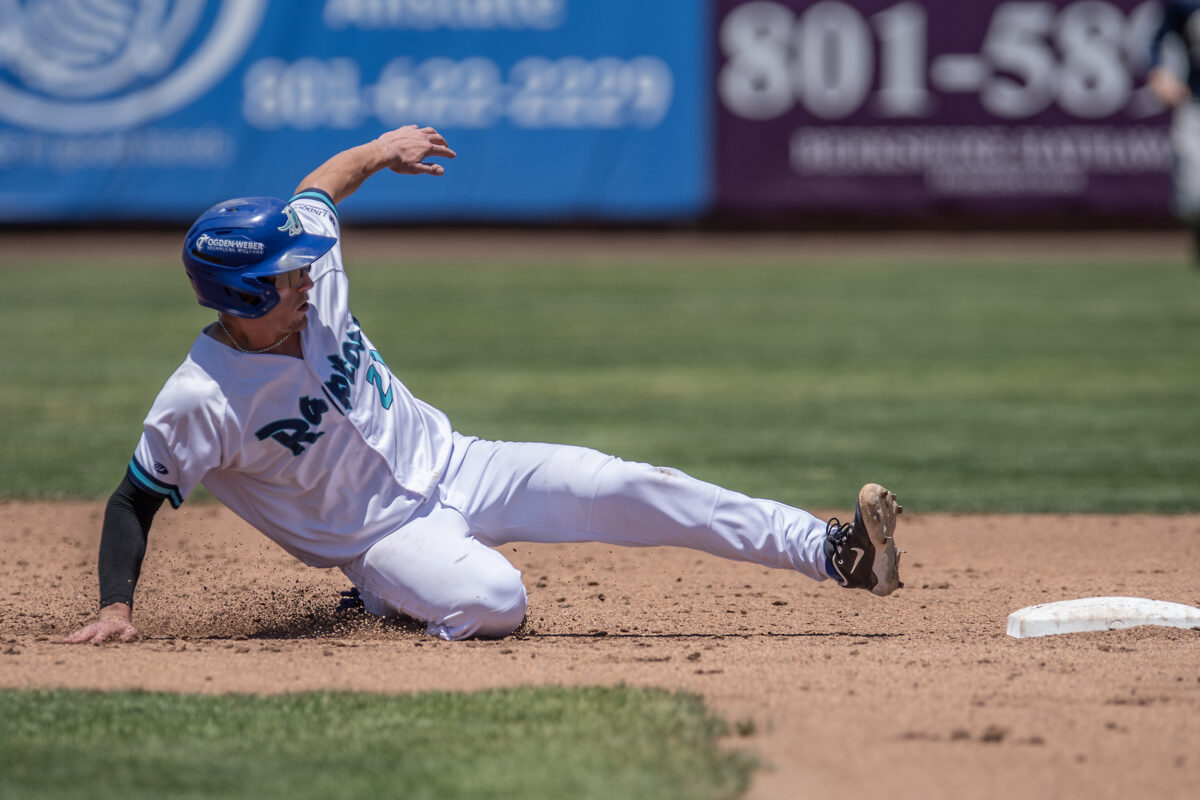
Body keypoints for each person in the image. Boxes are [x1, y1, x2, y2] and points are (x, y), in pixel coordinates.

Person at [63, 125, 903, 645]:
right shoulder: (201, 398)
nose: (308, 279)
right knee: (497, 600)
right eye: (287, 276)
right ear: (242, 297)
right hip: (380, 541)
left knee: (628, 482)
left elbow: (316, 191)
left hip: (463, 461)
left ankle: (832, 554)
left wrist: (380, 152)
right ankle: (389, 601)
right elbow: (133, 500)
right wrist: (116, 605)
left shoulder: (312, 279)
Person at [1148, 0, 1200, 263]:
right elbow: (1156, 39)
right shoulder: (1185, 3)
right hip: (1195, 107)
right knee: (1193, 200)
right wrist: (1159, 73)